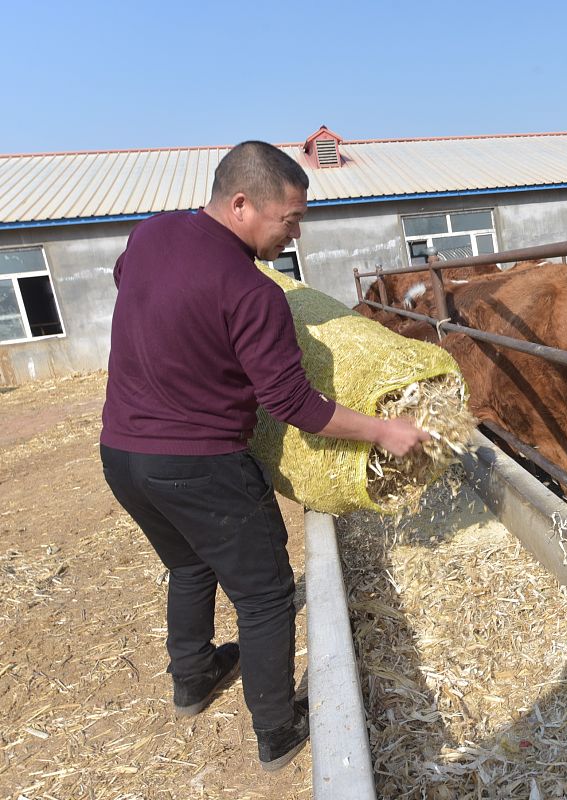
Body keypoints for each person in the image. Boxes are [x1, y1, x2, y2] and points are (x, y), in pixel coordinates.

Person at [99, 140, 430, 771]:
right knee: (266, 596)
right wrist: (383, 432)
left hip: (121, 454)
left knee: (191, 566)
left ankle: (193, 678)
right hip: (199, 463)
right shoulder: (255, 294)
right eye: (291, 220)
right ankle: (277, 728)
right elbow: (295, 403)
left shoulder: (150, 235)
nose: (294, 233)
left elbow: (129, 284)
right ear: (243, 204)